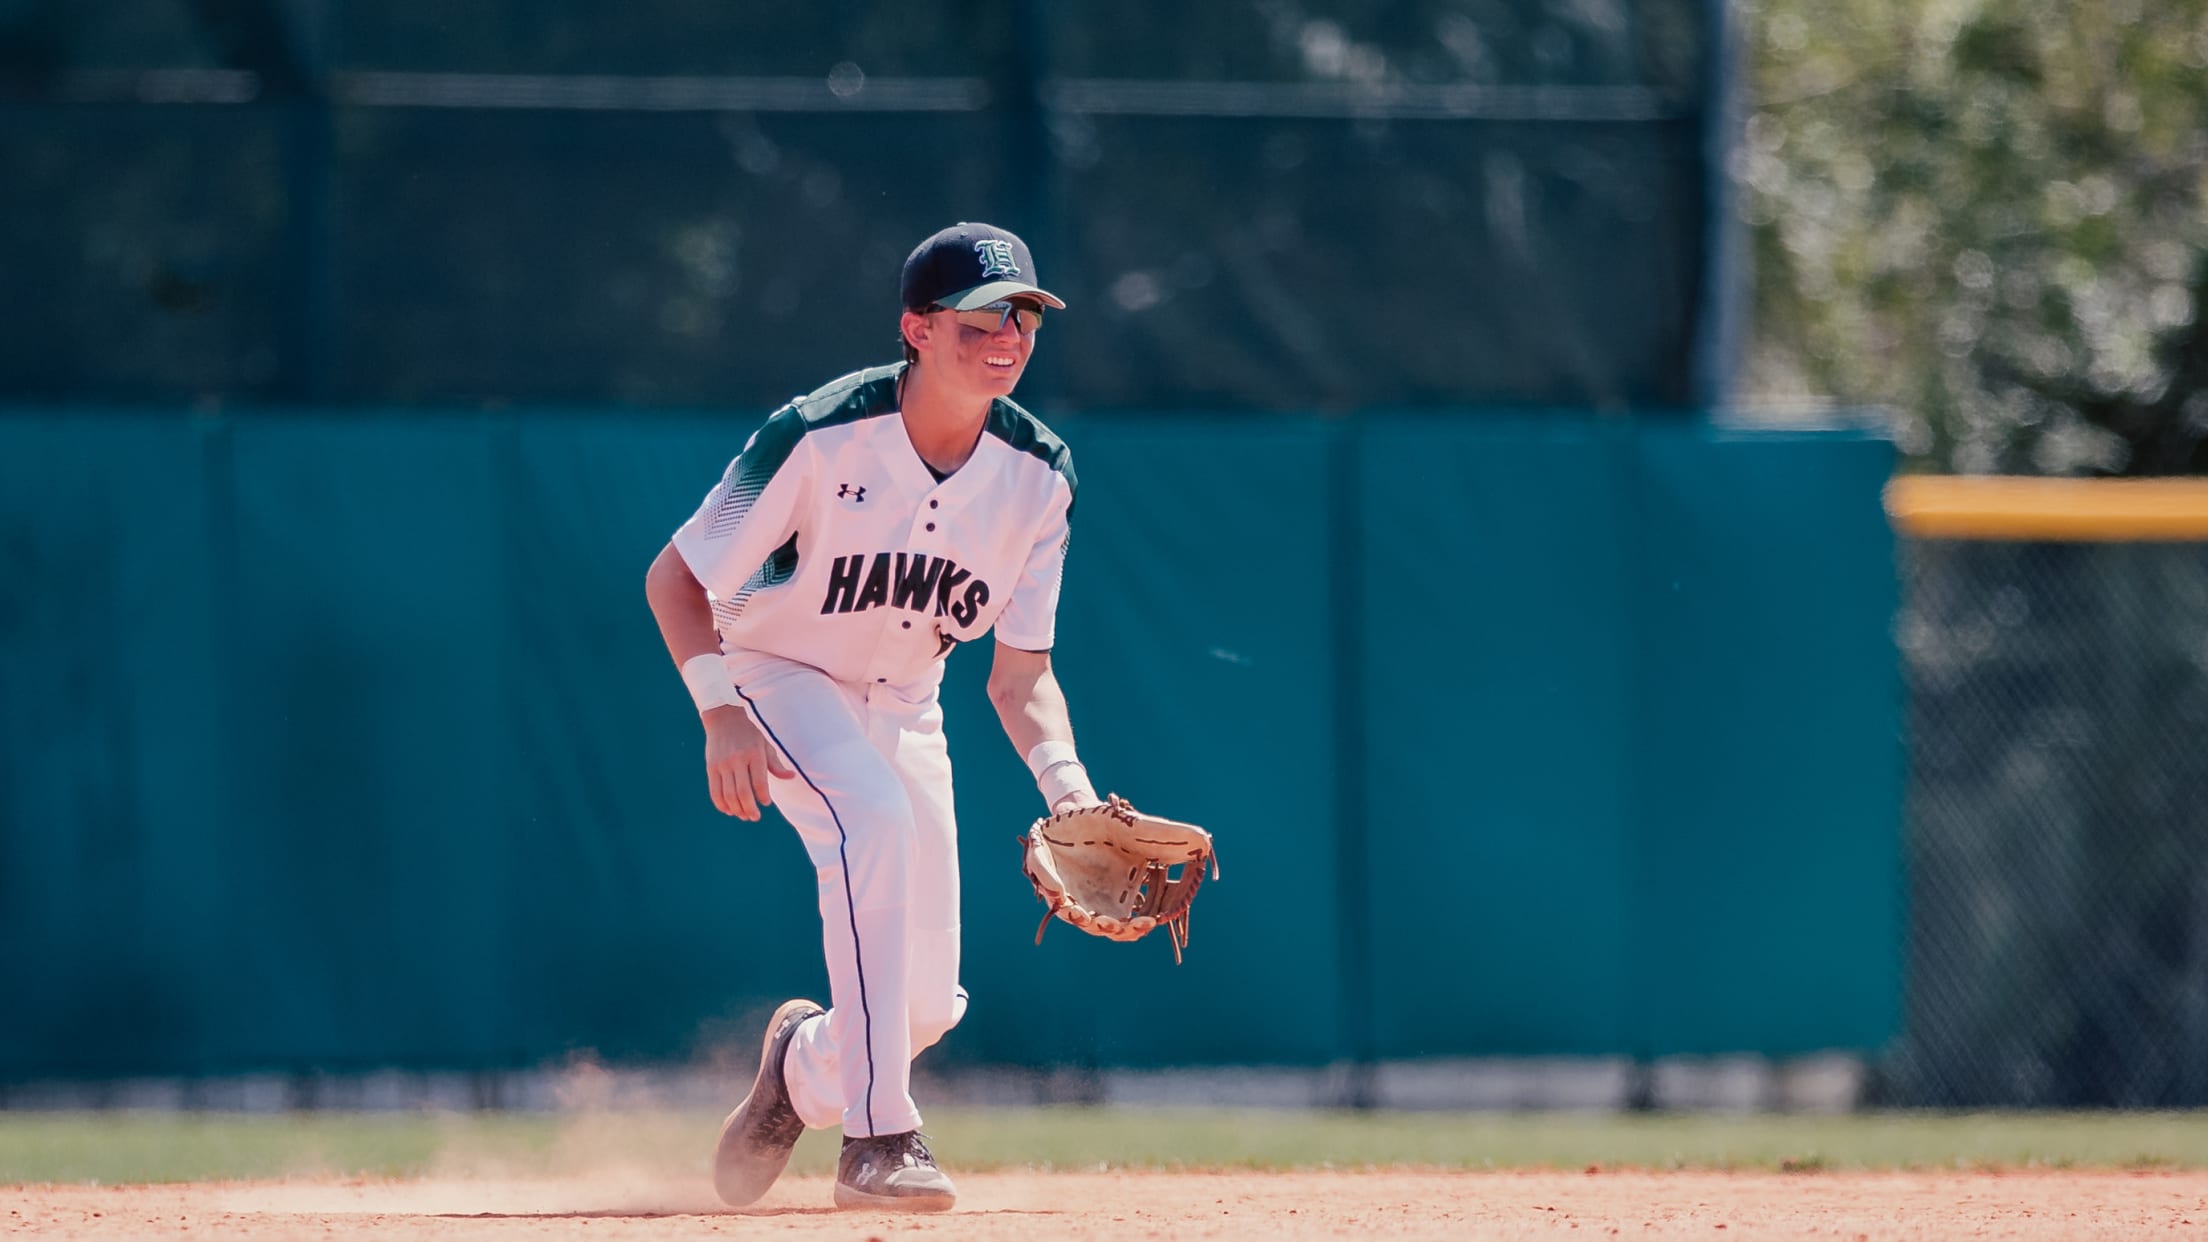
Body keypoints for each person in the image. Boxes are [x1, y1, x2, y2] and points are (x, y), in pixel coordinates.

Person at [643, 222, 1100, 1213]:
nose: (1007, 333)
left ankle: (801, 1069)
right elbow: (675, 579)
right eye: (980, 315)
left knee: (924, 1005)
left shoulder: (1040, 478)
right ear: (917, 329)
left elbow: (1021, 677)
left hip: (906, 703)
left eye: (1022, 314)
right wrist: (719, 712)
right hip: (776, 672)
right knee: (872, 824)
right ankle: (879, 1137)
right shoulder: (814, 434)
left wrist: (1070, 794)